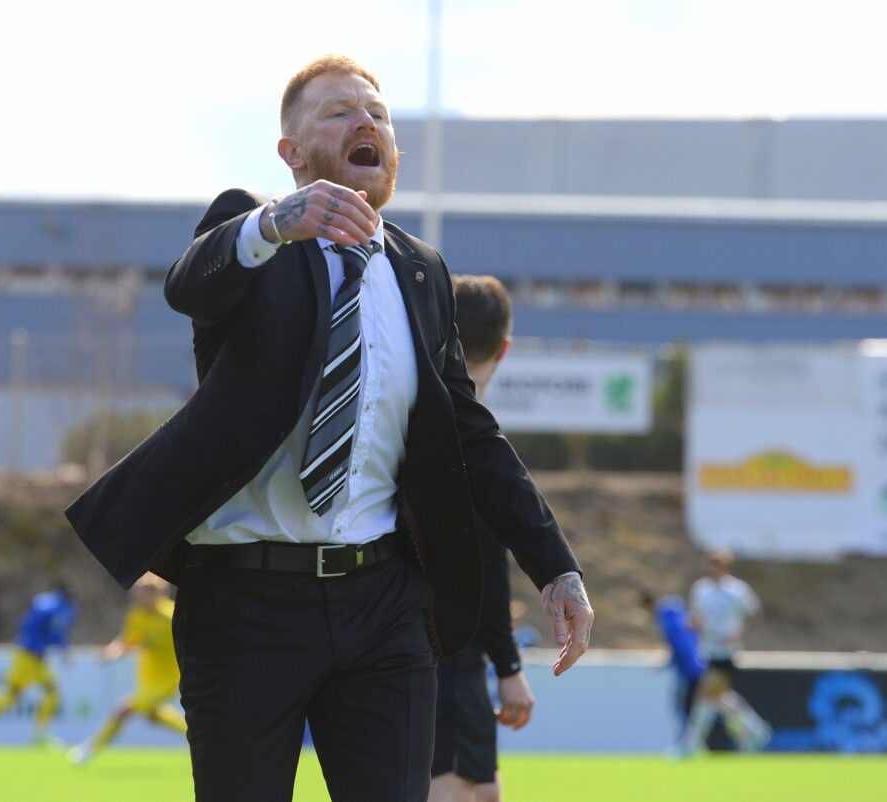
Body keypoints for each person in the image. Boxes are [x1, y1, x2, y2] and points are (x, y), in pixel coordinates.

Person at [64, 55, 594, 802]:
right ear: (293, 152)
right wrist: (274, 223)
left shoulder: (421, 271)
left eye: (377, 112)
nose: (365, 123)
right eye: (338, 113)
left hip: (382, 604)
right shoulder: (253, 236)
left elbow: (471, 432)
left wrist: (555, 566)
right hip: (246, 603)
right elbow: (188, 285)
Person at [429, 275, 532, 802]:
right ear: (504, 348)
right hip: (433, 655)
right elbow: (489, 563)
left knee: (480, 793)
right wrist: (510, 667)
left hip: (447, 658)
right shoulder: (467, 435)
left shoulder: (405, 416)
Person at [67, 574, 185, 765]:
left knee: (122, 709)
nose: (137, 598)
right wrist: (112, 653)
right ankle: (193, 734)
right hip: (148, 672)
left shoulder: (170, 615)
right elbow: (127, 640)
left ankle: (88, 749)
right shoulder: (136, 615)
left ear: (156, 594)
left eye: (142, 594)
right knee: (152, 717)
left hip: (169, 678)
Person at [677, 548, 770, 755]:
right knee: (716, 698)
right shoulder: (700, 589)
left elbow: (755, 614)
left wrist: (740, 634)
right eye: (709, 563)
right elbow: (696, 616)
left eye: (715, 564)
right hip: (707, 649)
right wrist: (692, 622)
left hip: (726, 650)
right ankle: (755, 729)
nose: (711, 568)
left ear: (725, 566)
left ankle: (690, 745)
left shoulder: (737, 590)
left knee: (707, 695)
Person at [0, 583, 75, 746]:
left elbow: (28, 625)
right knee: (49, 692)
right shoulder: (56, 607)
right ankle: (40, 735)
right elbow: (50, 631)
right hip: (31, 655)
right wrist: (60, 649)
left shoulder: (44, 602)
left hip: (26, 652)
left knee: (14, 694)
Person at [640, 590, 706, 743]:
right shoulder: (675, 608)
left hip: (688, 668)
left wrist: (668, 663)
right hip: (695, 663)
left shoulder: (666, 616)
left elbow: (679, 644)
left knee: (685, 707)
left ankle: (688, 742)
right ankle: (690, 741)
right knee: (697, 706)